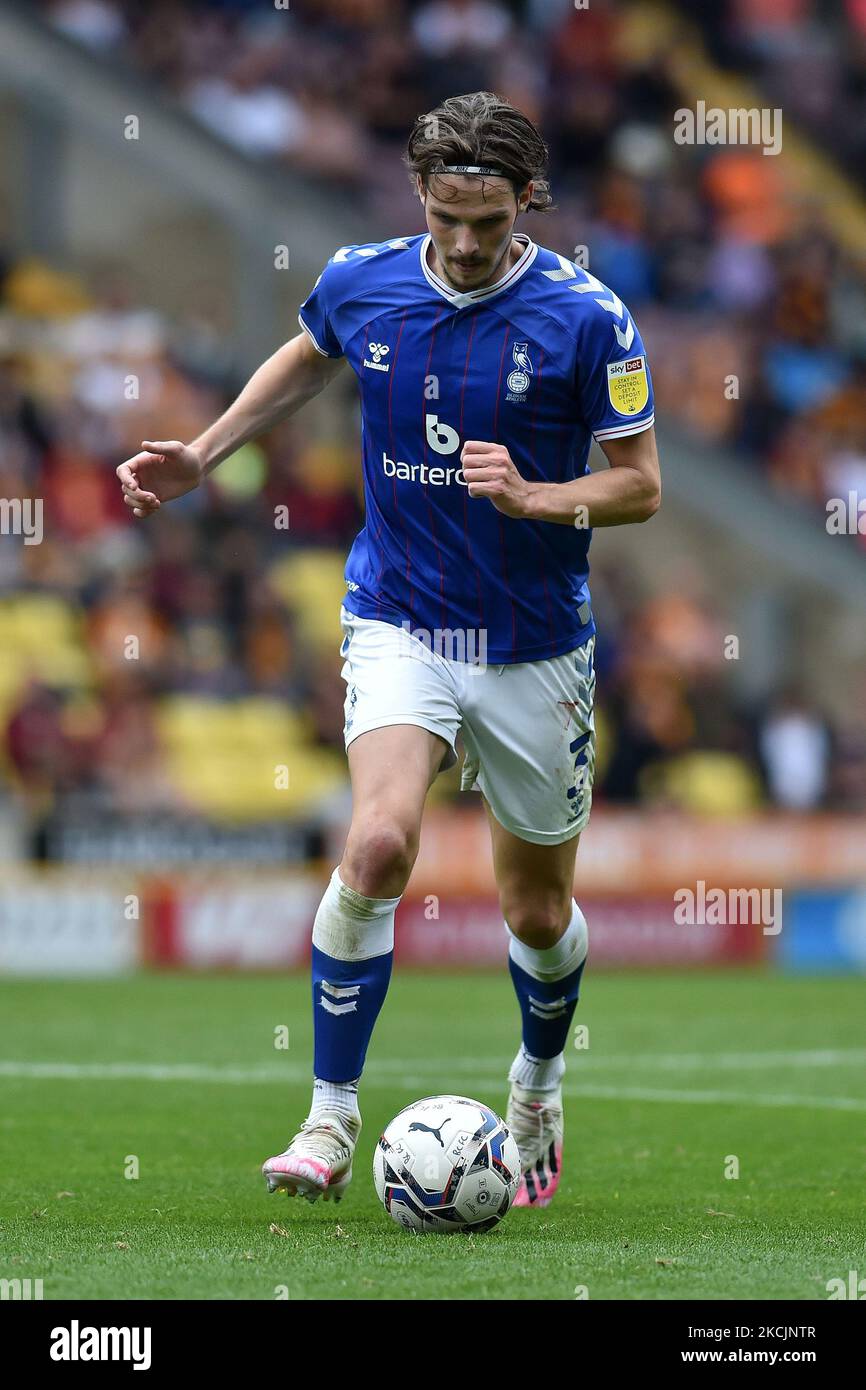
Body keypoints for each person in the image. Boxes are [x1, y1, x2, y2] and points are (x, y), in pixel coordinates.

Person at [116, 91, 661, 1210]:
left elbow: (640, 485)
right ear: (418, 194)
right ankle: (327, 1117)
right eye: (444, 217)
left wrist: (538, 495)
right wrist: (207, 454)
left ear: (527, 201)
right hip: (400, 618)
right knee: (374, 847)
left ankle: (537, 1082)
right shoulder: (362, 278)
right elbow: (307, 356)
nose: (463, 244)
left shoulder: (588, 319)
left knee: (536, 914)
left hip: (533, 645)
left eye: (487, 222)